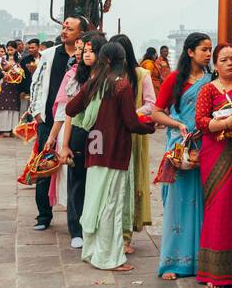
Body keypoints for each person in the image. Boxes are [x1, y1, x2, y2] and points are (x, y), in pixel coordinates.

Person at [65, 41, 156, 271]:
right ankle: (109, 258)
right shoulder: (121, 85)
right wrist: (150, 127)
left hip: (94, 150)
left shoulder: (94, 83)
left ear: (103, 59)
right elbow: (131, 122)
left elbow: (70, 109)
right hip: (115, 152)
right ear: (121, 61)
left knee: (94, 202)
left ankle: (91, 251)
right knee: (111, 206)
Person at [153, 32, 212, 280]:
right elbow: (156, 112)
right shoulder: (175, 79)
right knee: (177, 205)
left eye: (210, 50)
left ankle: (201, 261)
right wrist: (176, 124)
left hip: (206, 147)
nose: (208, 54)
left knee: (203, 203)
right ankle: (173, 262)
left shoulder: (212, 80)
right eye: (204, 50)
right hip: (180, 149)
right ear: (190, 52)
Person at [195, 43, 232, 288]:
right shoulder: (209, 89)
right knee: (217, 208)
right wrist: (228, 122)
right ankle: (213, 274)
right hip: (216, 154)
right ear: (215, 65)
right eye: (225, 60)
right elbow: (200, 121)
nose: (231, 63)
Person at [28, 16, 87, 232]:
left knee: (75, 167)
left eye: (70, 28)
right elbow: (37, 83)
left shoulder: (85, 58)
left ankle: (77, 217)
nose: (64, 31)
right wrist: (36, 112)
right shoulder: (50, 54)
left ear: (81, 34)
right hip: (49, 119)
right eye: (63, 27)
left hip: (76, 121)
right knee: (44, 164)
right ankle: (43, 214)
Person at [54, 32, 106, 249]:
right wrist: (64, 145)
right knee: (77, 180)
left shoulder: (108, 80)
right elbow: (69, 114)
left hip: (99, 136)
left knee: (96, 177)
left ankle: (92, 224)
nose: (87, 55)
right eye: (84, 50)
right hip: (78, 133)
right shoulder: (76, 78)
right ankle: (75, 229)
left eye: (92, 50)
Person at [109, 33, 155, 254]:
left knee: (132, 182)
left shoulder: (141, 74)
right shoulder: (108, 75)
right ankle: (114, 233)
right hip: (113, 135)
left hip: (133, 135)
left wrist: (130, 114)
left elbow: (151, 105)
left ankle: (126, 235)